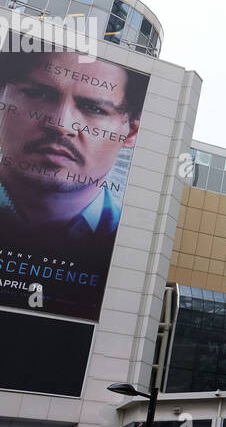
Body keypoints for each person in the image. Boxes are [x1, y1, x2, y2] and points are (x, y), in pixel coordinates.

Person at [0, 51, 148, 319]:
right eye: (39, 94)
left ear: (131, 132)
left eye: (93, 108)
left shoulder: (135, 256)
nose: (60, 124)